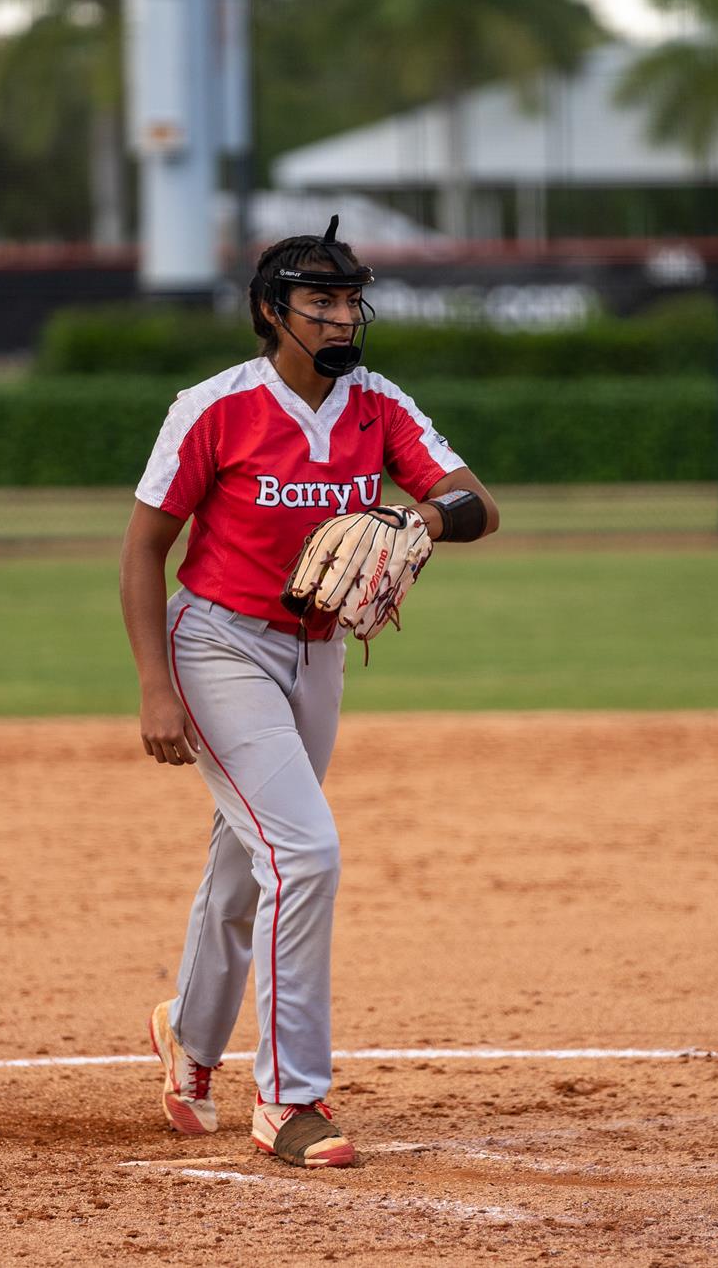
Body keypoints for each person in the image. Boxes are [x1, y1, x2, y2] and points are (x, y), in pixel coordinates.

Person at [121, 219, 499, 1168]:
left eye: (348, 301)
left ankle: (189, 1043)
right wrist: (154, 687)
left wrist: (418, 513)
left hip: (318, 652)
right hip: (216, 643)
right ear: (270, 312)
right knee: (306, 850)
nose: (340, 319)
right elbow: (142, 551)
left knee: (251, 860)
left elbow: (478, 503)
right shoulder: (214, 408)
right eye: (319, 303)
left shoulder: (376, 404)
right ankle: (289, 1099)